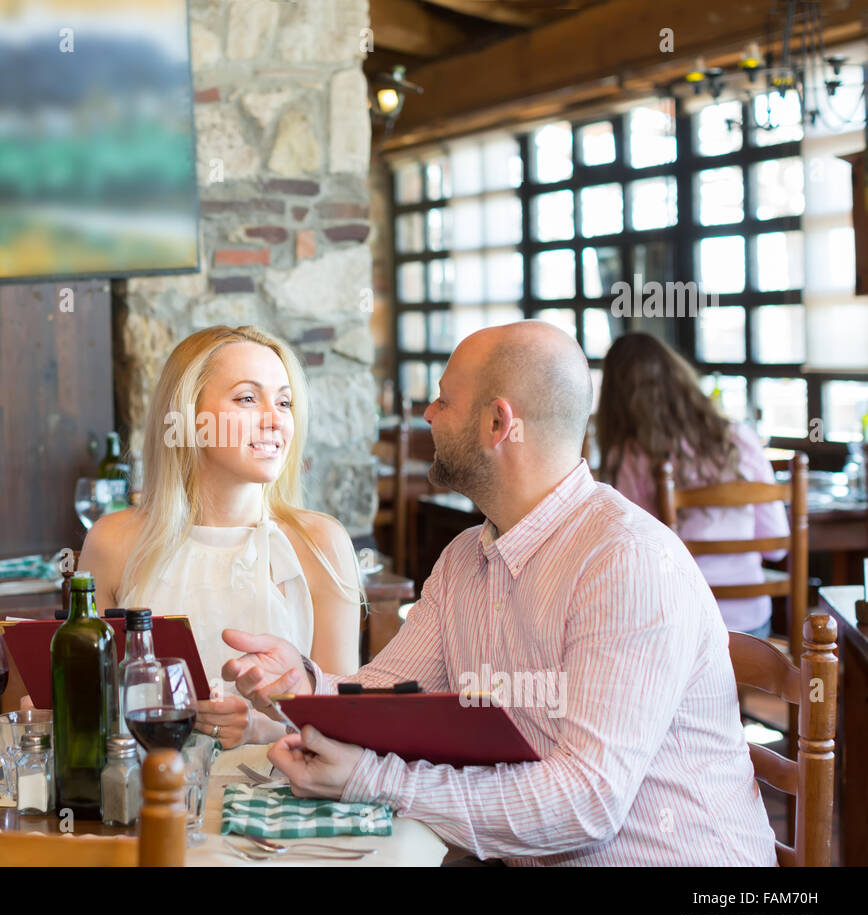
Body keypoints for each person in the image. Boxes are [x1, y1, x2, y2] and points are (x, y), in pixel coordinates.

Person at [221, 320, 776, 865]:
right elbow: (389, 697)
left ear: (496, 422)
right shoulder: (467, 555)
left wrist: (373, 780)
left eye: (443, 401)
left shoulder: (625, 559)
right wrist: (305, 682)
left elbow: (586, 804)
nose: (427, 414)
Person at [78, 325, 362, 748]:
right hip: (149, 793)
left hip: (281, 800)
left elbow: (345, 719)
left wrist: (257, 728)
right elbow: (90, 696)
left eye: (284, 402)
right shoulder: (112, 540)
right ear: (188, 416)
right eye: (248, 398)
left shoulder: (323, 543)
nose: (274, 419)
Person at [595, 332, 789, 638]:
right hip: (753, 626)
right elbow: (777, 544)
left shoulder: (629, 457)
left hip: (682, 628)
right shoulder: (739, 438)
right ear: (679, 376)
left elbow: (634, 559)